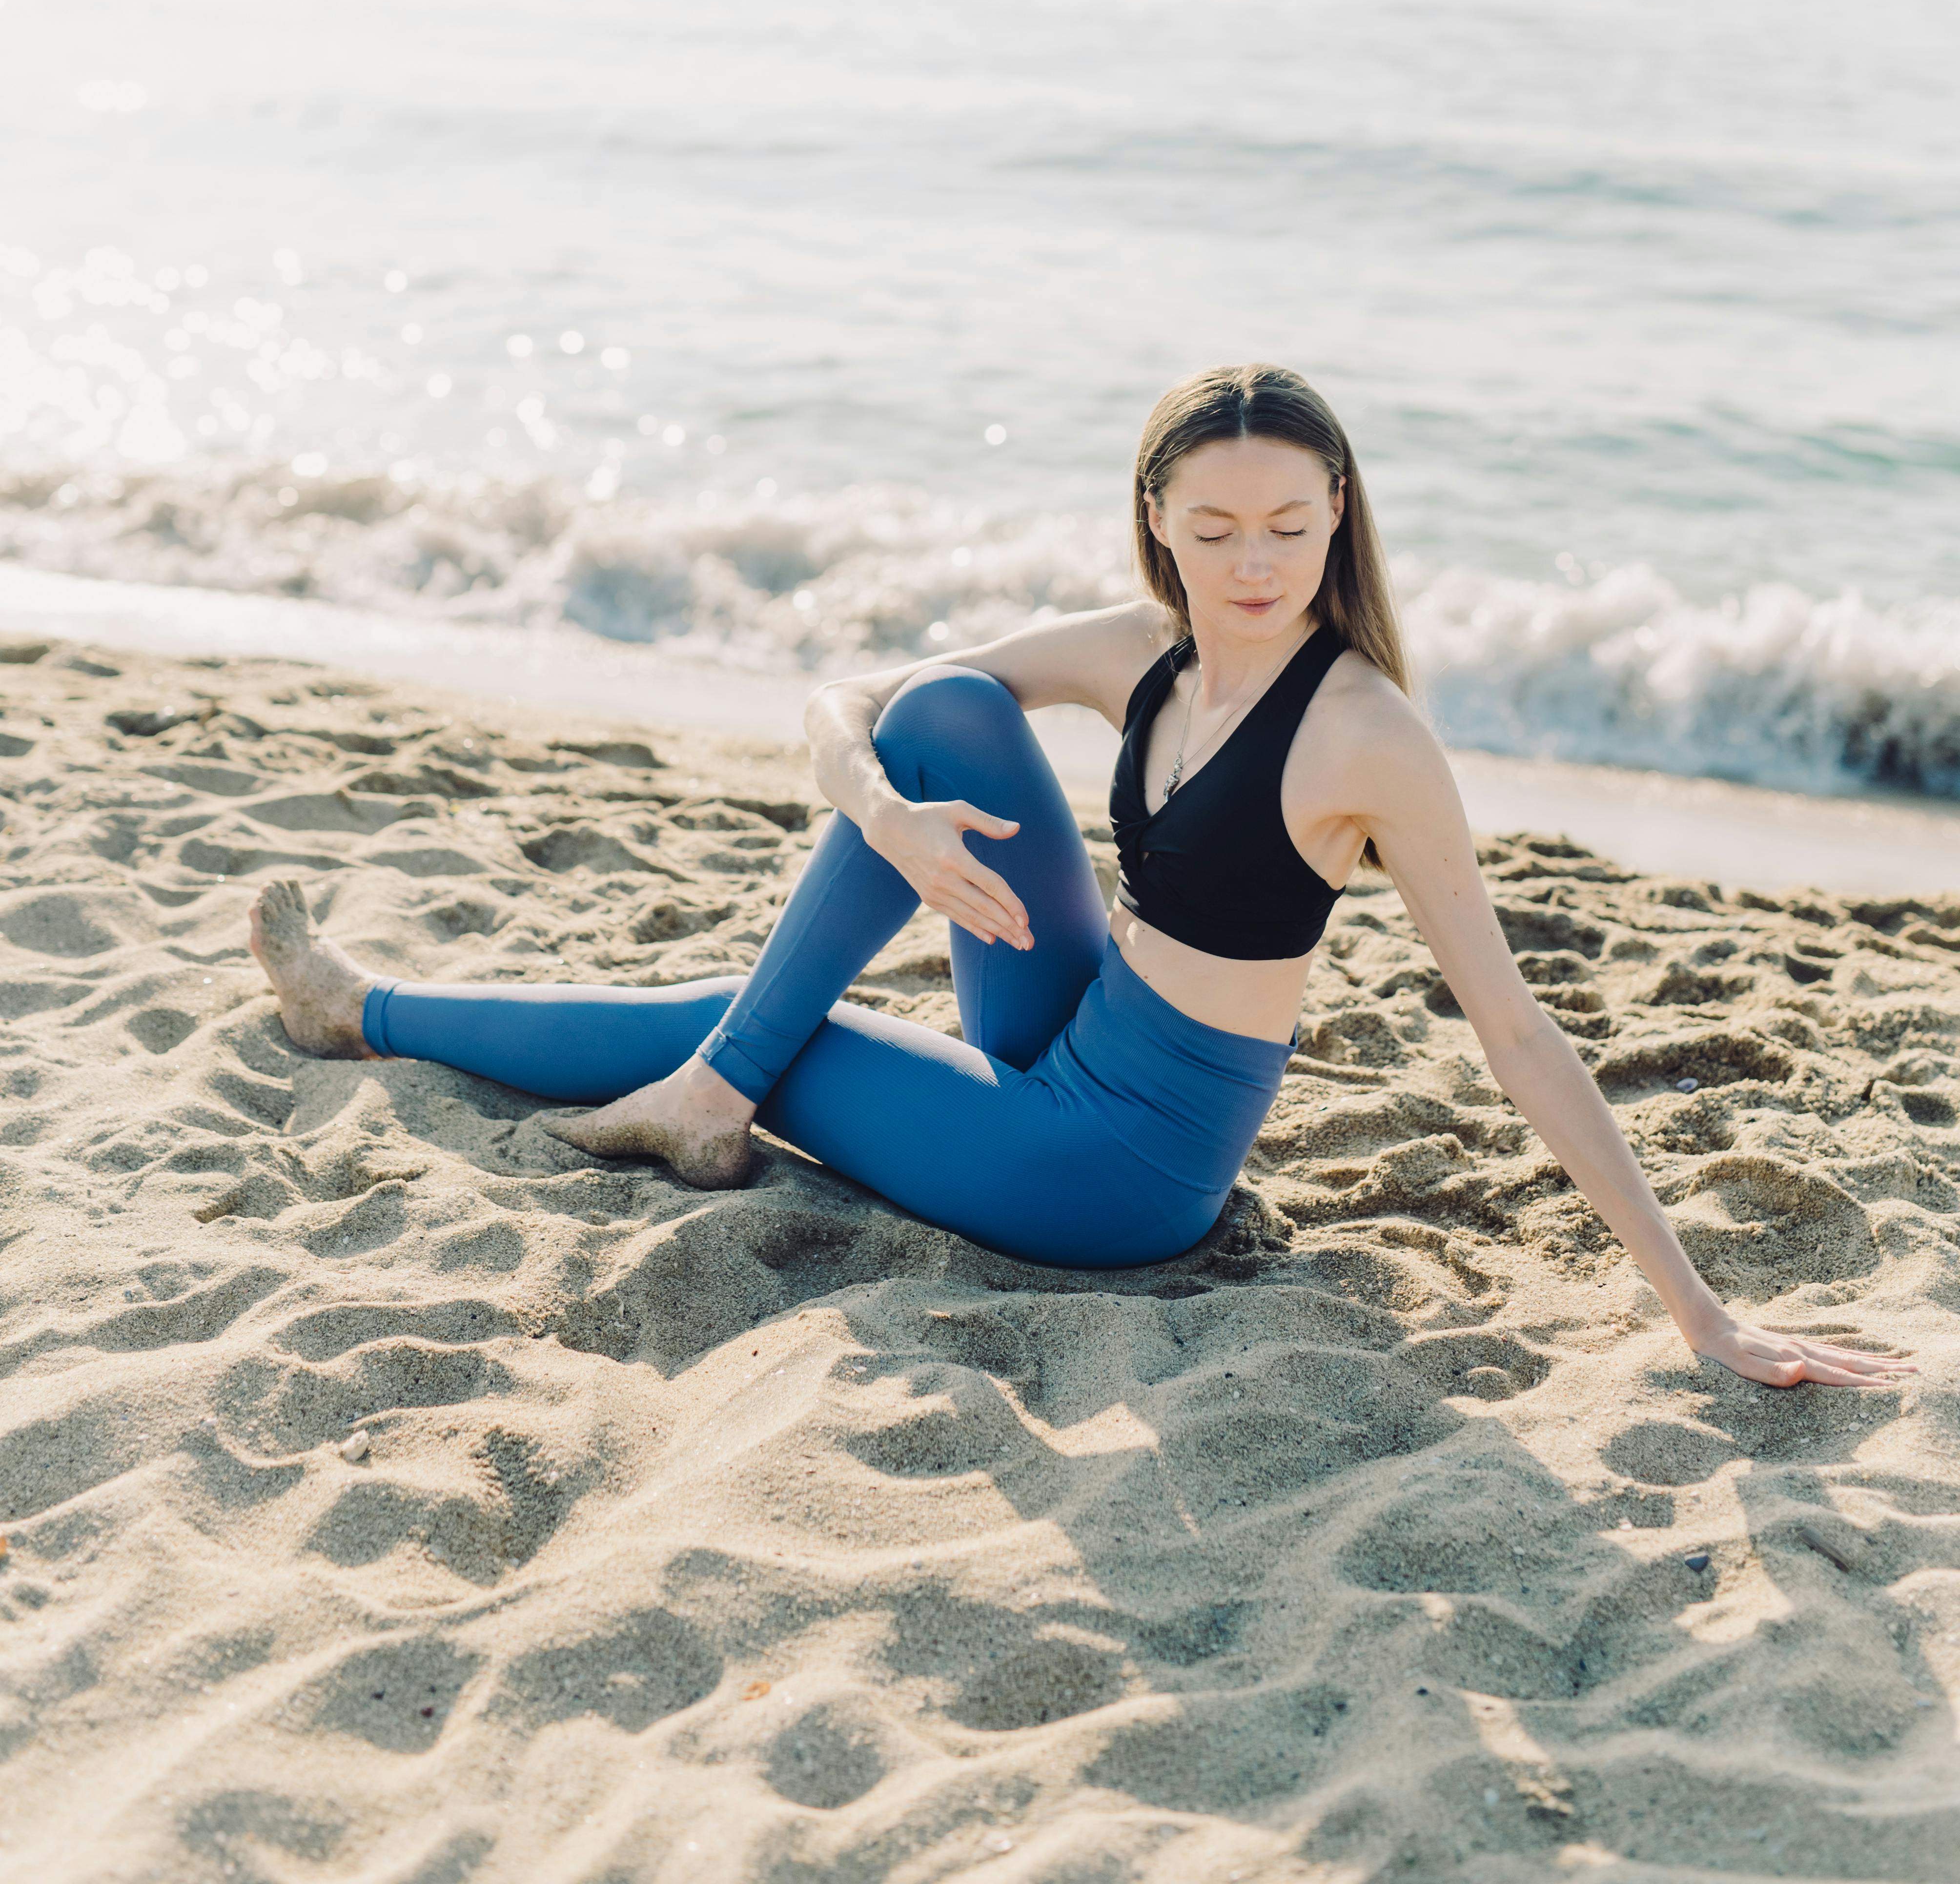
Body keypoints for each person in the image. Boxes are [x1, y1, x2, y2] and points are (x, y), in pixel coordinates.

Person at [251, 363, 1908, 1391]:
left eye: (1289, 525)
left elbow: (1516, 1029)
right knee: (952, 715)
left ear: (1340, 519)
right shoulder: (1151, 654)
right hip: (1065, 1022)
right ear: (1158, 519)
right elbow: (859, 705)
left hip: (1118, 1168)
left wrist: (1700, 1312)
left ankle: (394, 1019)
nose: (1255, 564)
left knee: (768, 1033)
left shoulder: (1368, 743)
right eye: (1216, 527)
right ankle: (697, 1083)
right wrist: (886, 819)